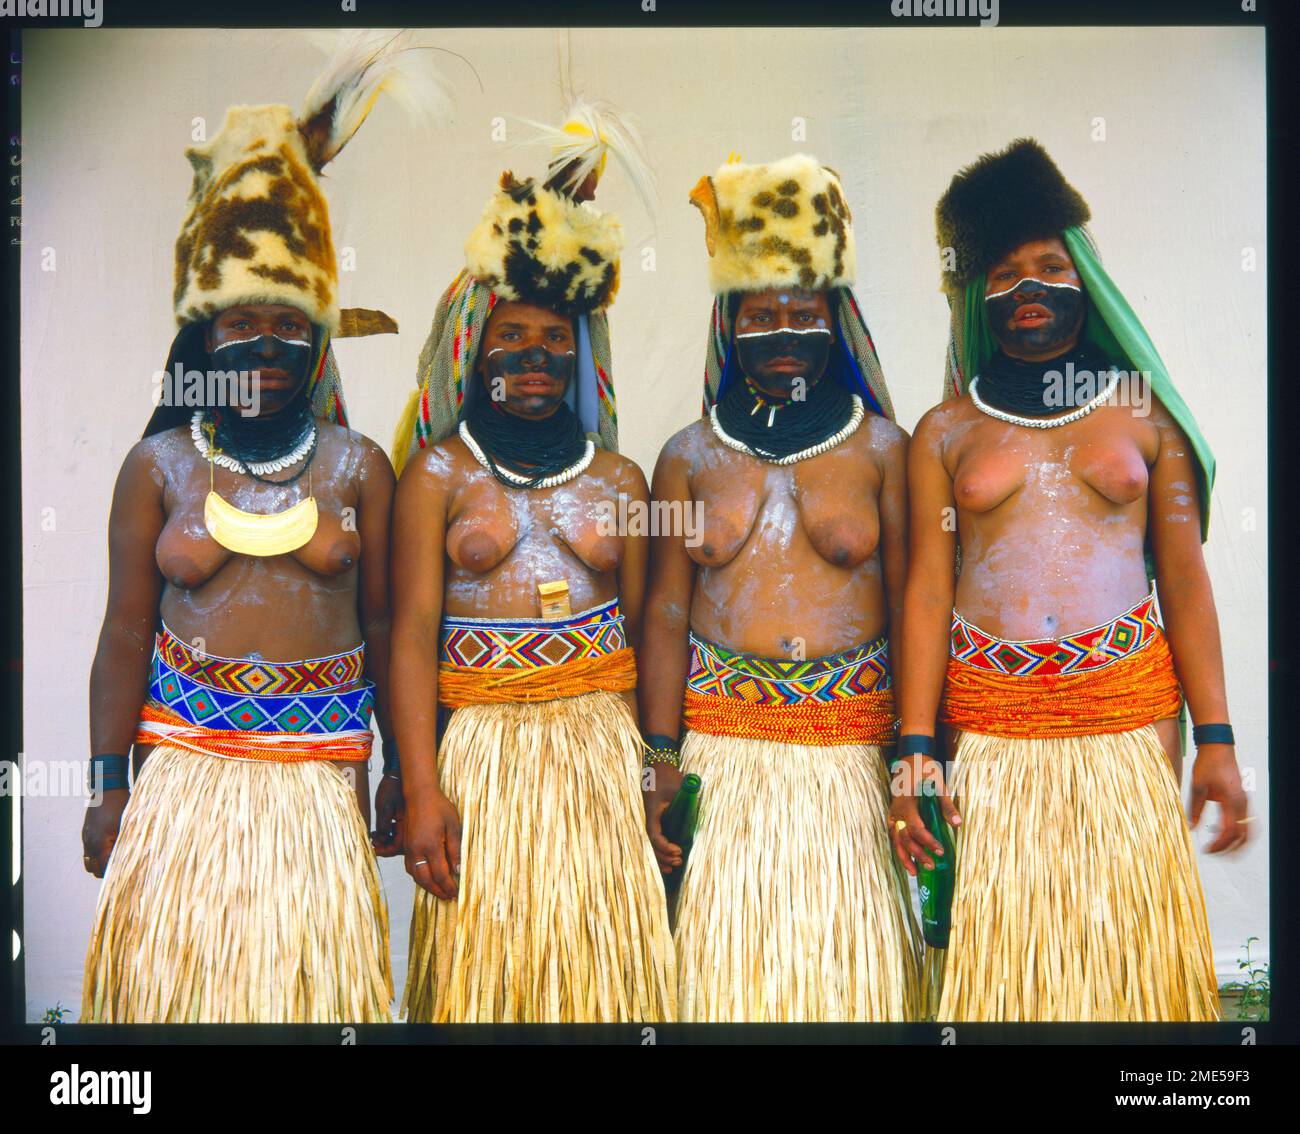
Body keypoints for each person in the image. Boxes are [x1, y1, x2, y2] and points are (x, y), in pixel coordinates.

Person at [79, 31, 445, 1023]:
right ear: (205, 335)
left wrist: (402, 776)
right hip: (182, 784)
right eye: (241, 323)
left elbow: (386, 633)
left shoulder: (359, 468)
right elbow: (122, 634)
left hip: (318, 788)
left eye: (290, 318)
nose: (268, 344)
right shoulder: (156, 468)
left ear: (322, 327)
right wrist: (108, 784)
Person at [891, 137, 1247, 1021]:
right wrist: (915, 749)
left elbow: (1186, 582)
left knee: (1125, 965)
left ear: (1085, 274)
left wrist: (1219, 738)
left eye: (1049, 265)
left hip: (1126, 726)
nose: (1028, 289)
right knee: (1006, 974)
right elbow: (928, 592)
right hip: (993, 734)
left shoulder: (1142, 414)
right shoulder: (943, 431)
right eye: (1003, 274)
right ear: (975, 296)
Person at [388, 99, 675, 1022]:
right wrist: (421, 782)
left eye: (557, 338)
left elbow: (651, 629)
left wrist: (651, 768)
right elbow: (410, 634)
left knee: (602, 982)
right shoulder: (437, 473)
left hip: (597, 750)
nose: (536, 355)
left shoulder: (623, 476)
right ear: (474, 349)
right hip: (481, 757)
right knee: (486, 987)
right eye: (511, 335)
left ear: (582, 353)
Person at [638, 153, 921, 1021]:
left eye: (803, 312)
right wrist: (658, 759)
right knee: (727, 986)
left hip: (850, 761)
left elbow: (919, 604)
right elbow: (664, 612)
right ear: (730, 324)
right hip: (725, 756)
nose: (784, 330)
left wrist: (919, 752)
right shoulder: (686, 456)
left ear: (836, 321)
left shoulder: (884, 449)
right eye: (762, 314)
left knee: (853, 986)